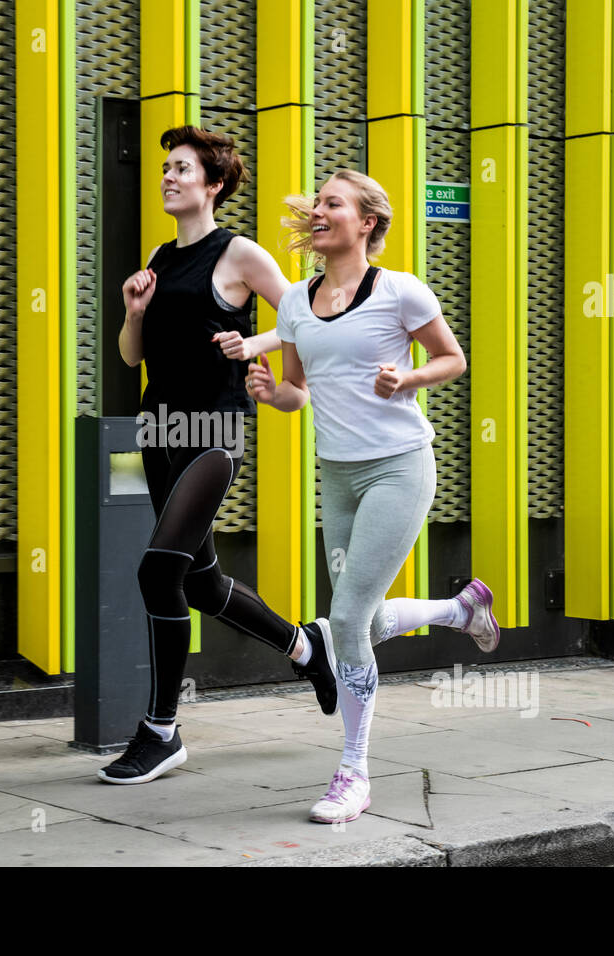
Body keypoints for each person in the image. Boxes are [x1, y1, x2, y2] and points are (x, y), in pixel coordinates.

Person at [241, 169, 500, 823]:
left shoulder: (400, 292)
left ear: (367, 223)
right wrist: (275, 395)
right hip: (339, 478)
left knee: (348, 622)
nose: (321, 210)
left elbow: (453, 358)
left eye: (335, 203)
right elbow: (299, 390)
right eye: (319, 202)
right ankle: (459, 610)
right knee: (360, 618)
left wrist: (407, 377)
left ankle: (353, 773)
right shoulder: (295, 304)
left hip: (398, 469)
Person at [98, 126, 339, 786]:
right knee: (199, 583)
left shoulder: (238, 255)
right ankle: (304, 644)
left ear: (214, 185)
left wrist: (255, 346)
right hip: (160, 430)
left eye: (181, 169)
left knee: (157, 574)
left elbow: (305, 313)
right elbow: (132, 355)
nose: (168, 177)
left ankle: (161, 731)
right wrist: (134, 310)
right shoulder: (158, 255)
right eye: (166, 168)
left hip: (213, 434)